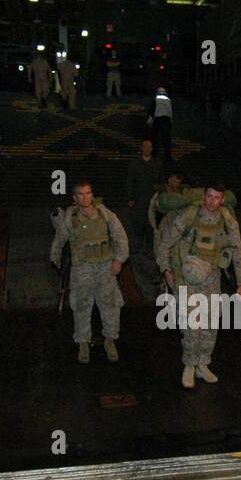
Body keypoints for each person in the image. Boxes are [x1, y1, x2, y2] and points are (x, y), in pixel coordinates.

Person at [156, 183, 241, 388]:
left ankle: (203, 364)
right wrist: (166, 270)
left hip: (213, 278)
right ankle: (189, 365)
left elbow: (238, 252)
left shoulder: (227, 221)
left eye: (217, 197)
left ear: (222, 199)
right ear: (204, 196)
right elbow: (165, 243)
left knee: (210, 323)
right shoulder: (190, 216)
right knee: (191, 324)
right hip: (187, 279)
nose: (212, 201)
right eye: (209, 196)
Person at [50, 181, 130, 363]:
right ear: (74, 198)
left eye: (87, 193)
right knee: (81, 307)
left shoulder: (105, 213)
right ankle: (83, 342)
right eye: (80, 194)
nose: (84, 197)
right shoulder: (70, 217)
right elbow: (60, 239)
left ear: (92, 194)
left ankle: (110, 340)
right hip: (81, 268)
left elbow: (120, 237)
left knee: (110, 306)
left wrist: (119, 260)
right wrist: (56, 259)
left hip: (105, 267)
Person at [125, 139, 165, 252]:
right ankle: (138, 241)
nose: (147, 148)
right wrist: (130, 198)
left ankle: (150, 245)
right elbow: (130, 181)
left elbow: (162, 180)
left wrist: (161, 196)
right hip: (138, 198)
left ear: (152, 149)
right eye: (145, 146)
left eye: (149, 146)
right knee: (138, 220)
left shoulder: (157, 163)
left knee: (151, 221)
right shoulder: (135, 163)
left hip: (152, 198)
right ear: (141, 148)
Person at [148, 87, 174, 163]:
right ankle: (168, 156)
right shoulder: (168, 100)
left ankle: (154, 154)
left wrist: (150, 121)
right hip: (166, 121)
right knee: (166, 139)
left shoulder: (155, 99)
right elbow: (171, 111)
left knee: (155, 138)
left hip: (158, 120)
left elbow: (152, 110)